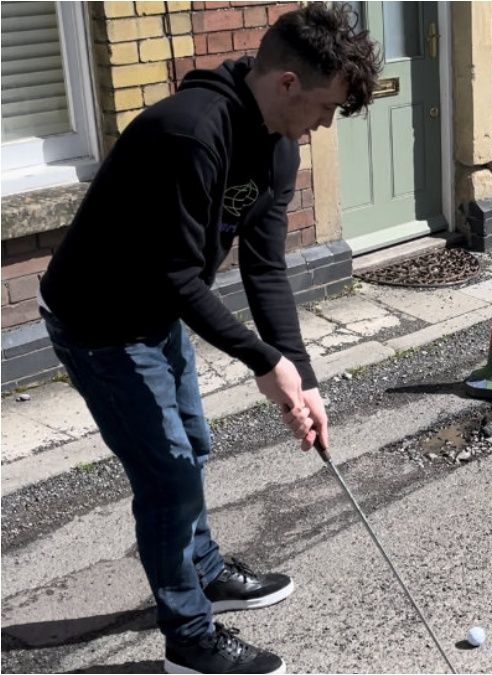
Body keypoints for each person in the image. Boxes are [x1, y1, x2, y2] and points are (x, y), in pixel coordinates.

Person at [37, 4, 380, 672]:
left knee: (192, 444)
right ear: (286, 83)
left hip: (153, 313)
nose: (323, 126)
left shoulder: (277, 149)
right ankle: (189, 640)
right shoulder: (190, 134)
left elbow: (265, 268)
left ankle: (207, 571)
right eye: (325, 107)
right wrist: (261, 361)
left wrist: (301, 375)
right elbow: (175, 278)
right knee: (167, 474)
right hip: (98, 323)